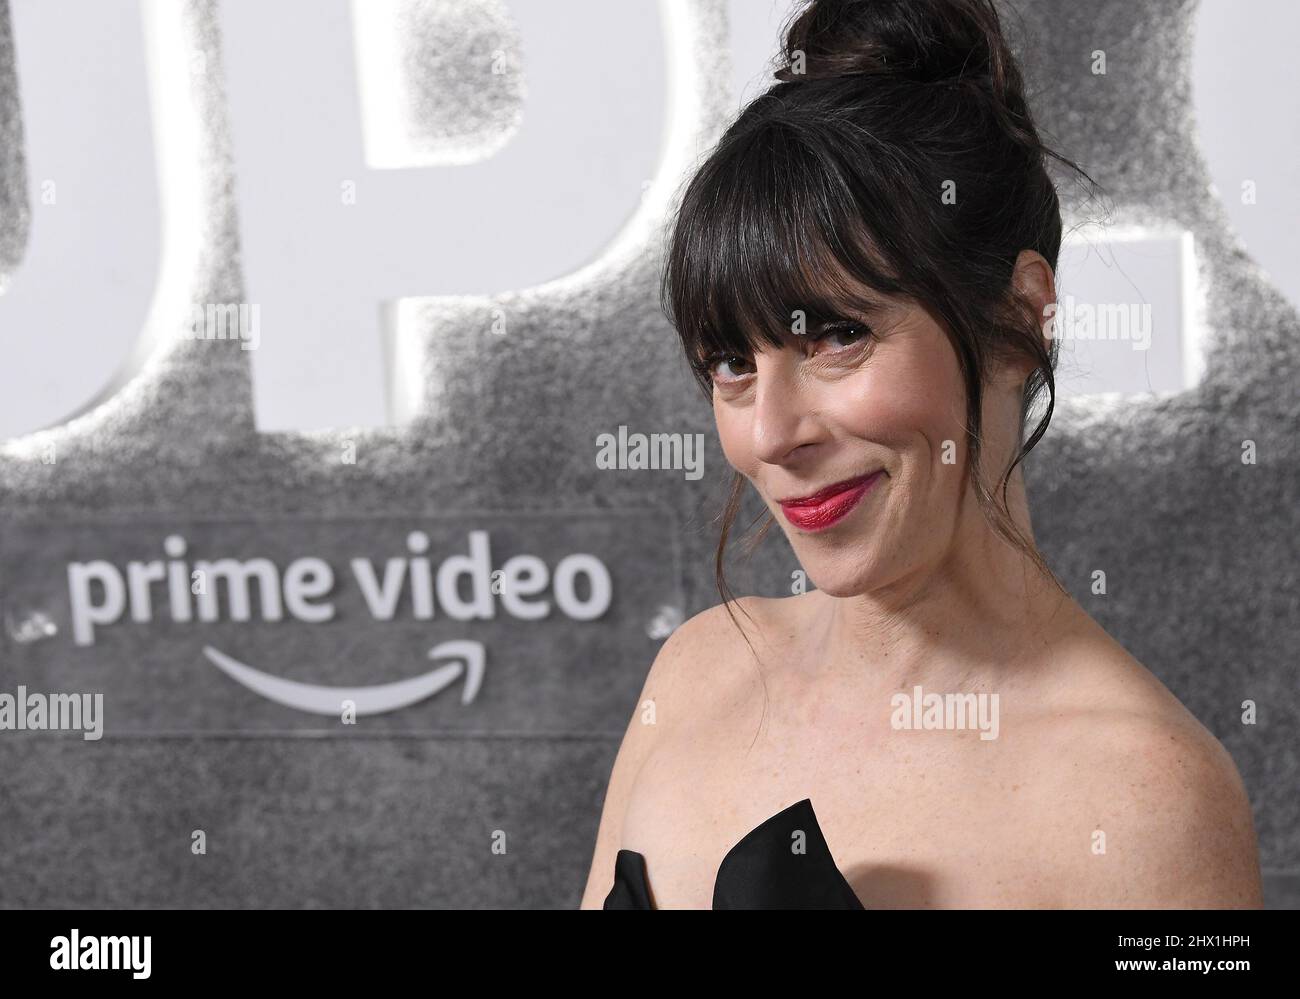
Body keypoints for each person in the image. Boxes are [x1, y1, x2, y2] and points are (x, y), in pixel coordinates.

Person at [580, 0, 1263, 909]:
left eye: (835, 336)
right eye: (733, 362)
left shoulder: (1147, 799)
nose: (774, 433)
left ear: (1019, 321)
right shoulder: (699, 670)